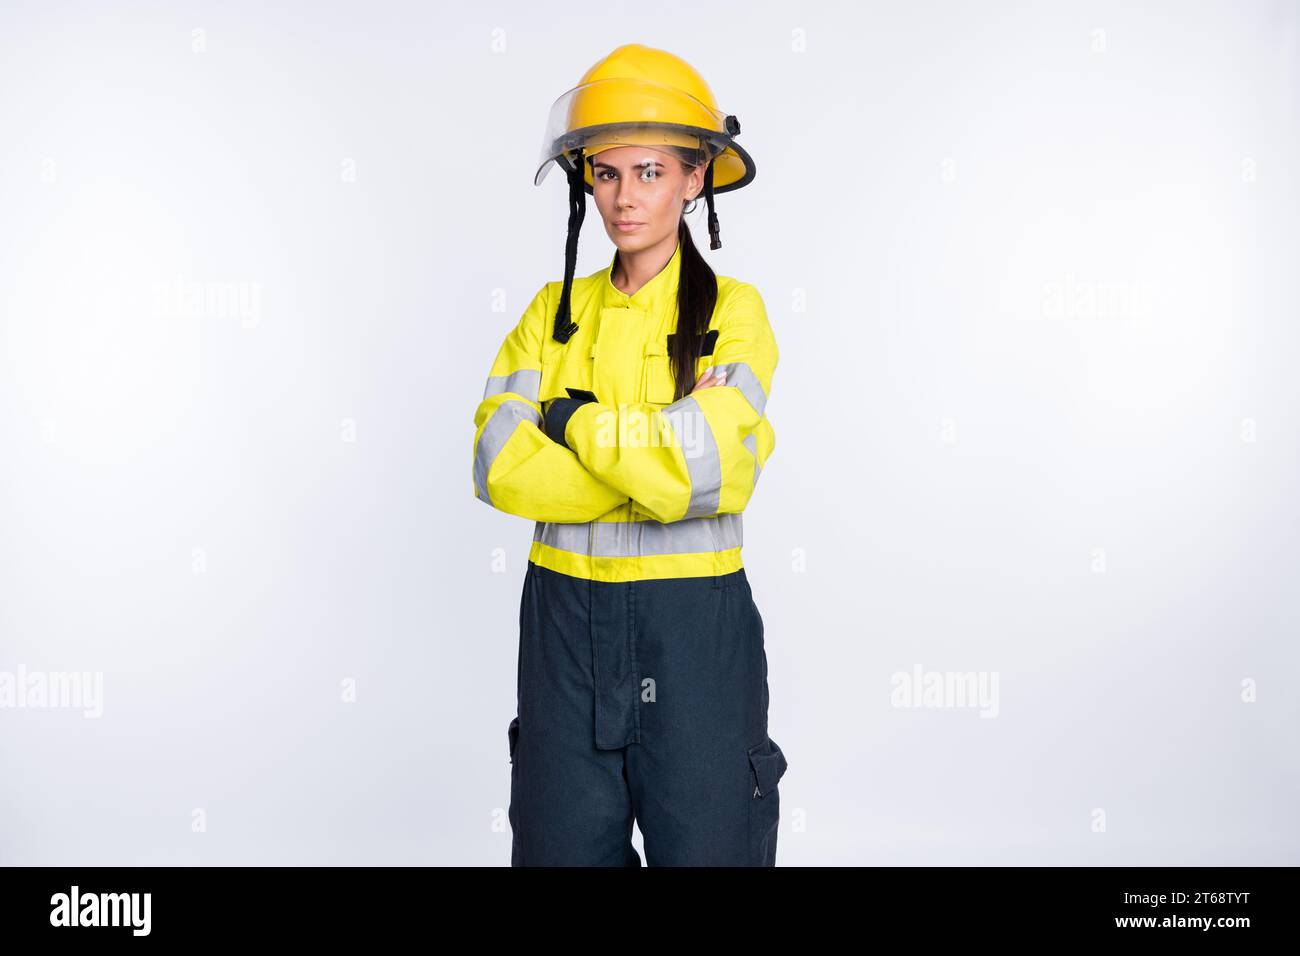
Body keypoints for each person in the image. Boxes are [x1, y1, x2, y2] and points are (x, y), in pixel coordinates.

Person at [471, 43, 787, 866]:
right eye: (606, 174)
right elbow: (498, 462)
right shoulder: (550, 313)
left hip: (694, 638)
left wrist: (572, 424)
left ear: (695, 178)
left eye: (649, 171)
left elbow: (706, 471)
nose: (624, 196)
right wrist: (650, 465)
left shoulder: (735, 314)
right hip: (564, 636)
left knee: (712, 851)